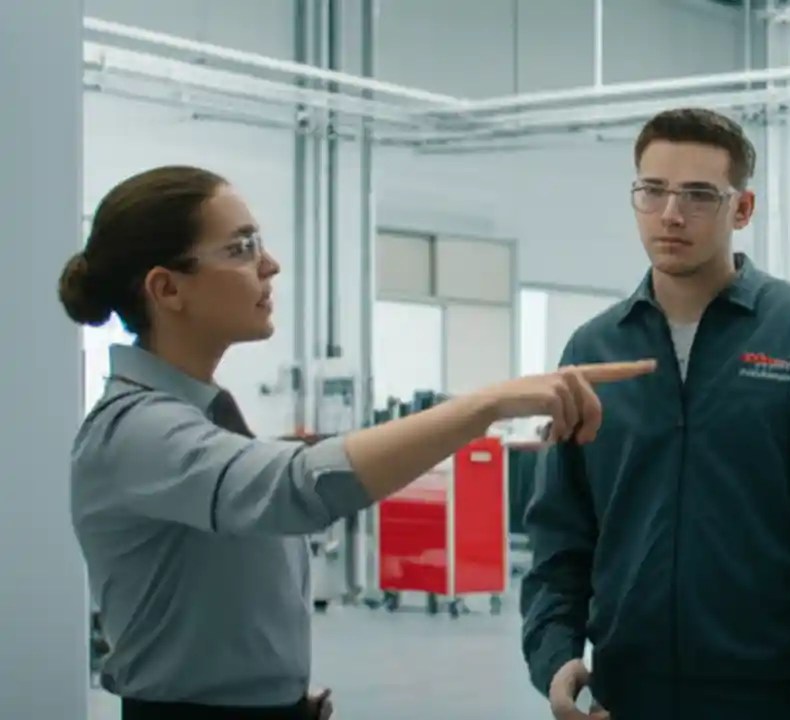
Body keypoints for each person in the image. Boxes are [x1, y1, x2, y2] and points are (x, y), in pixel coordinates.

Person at [58, 165, 655, 720]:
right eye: (241, 248)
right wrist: (485, 405)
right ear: (167, 289)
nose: (270, 265)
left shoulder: (200, 414)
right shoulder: (135, 430)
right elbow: (296, 488)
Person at [520, 108, 790, 720]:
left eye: (698, 194)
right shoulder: (593, 352)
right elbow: (560, 535)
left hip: (769, 699)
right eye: (653, 190)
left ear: (741, 209)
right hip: (625, 696)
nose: (671, 213)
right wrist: (554, 656)